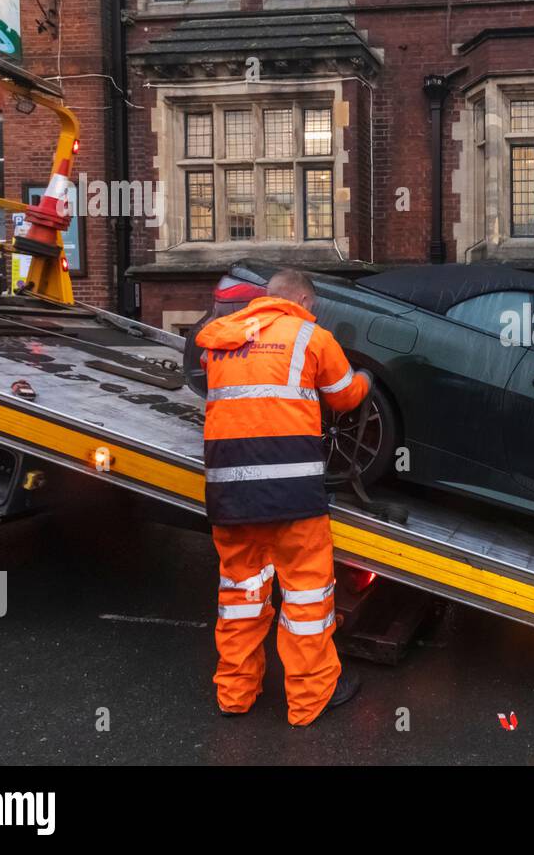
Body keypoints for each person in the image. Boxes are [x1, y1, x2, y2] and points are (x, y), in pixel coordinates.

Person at [196, 268, 369, 725]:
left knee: (241, 594)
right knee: (307, 597)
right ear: (305, 303)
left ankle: (235, 693)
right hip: (293, 496)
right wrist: (366, 379)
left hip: (231, 497)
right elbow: (346, 397)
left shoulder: (224, 339)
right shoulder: (311, 337)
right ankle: (309, 700)